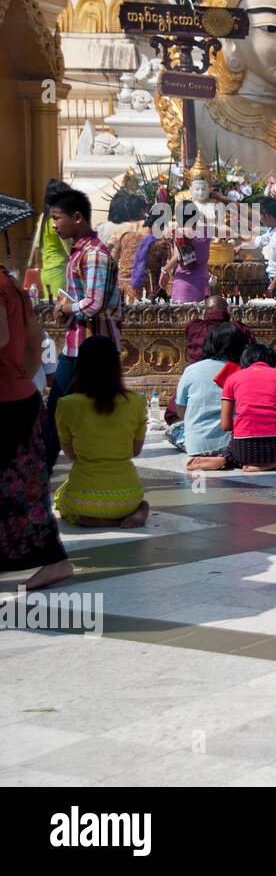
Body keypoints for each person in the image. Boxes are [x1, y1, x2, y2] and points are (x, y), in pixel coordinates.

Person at [0, 266, 71, 590]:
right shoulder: (10, 285)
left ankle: (55, 560)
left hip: (8, 403)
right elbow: (35, 338)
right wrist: (20, 379)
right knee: (23, 487)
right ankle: (54, 560)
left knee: (21, 488)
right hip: (19, 399)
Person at [44, 187, 122, 471]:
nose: (54, 225)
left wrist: (66, 308)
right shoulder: (79, 252)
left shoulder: (94, 254)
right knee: (60, 408)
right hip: (78, 343)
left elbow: (94, 304)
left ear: (77, 217)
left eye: (57, 218)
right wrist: (65, 305)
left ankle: (97, 469)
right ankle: (45, 468)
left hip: (94, 347)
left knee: (78, 409)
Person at [52, 335, 149, 529]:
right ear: (116, 367)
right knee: (142, 502)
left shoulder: (67, 405)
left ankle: (99, 519)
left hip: (84, 498)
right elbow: (134, 451)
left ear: (80, 367)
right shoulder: (137, 402)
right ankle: (136, 512)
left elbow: (71, 455)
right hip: (127, 495)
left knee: (60, 499)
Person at [186, 343, 276, 471]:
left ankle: (226, 458)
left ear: (244, 360)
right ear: (272, 360)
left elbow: (225, 426)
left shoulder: (232, 379)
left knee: (233, 448)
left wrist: (247, 421)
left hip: (244, 450)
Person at [168, 323, 248, 461]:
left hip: (198, 447)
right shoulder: (243, 371)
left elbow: (181, 410)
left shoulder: (192, 370)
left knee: (173, 429)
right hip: (233, 445)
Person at [162, 202, 214, 304]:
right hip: (202, 285)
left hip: (183, 285)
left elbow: (176, 257)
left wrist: (164, 271)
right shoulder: (207, 231)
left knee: (182, 317)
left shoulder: (179, 233)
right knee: (200, 318)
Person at [30, 179, 71, 301]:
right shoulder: (58, 219)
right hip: (59, 271)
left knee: (51, 313)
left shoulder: (44, 217)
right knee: (61, 314)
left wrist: (39, 267)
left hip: (47, 272)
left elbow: (38, 247)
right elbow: (69, 249)